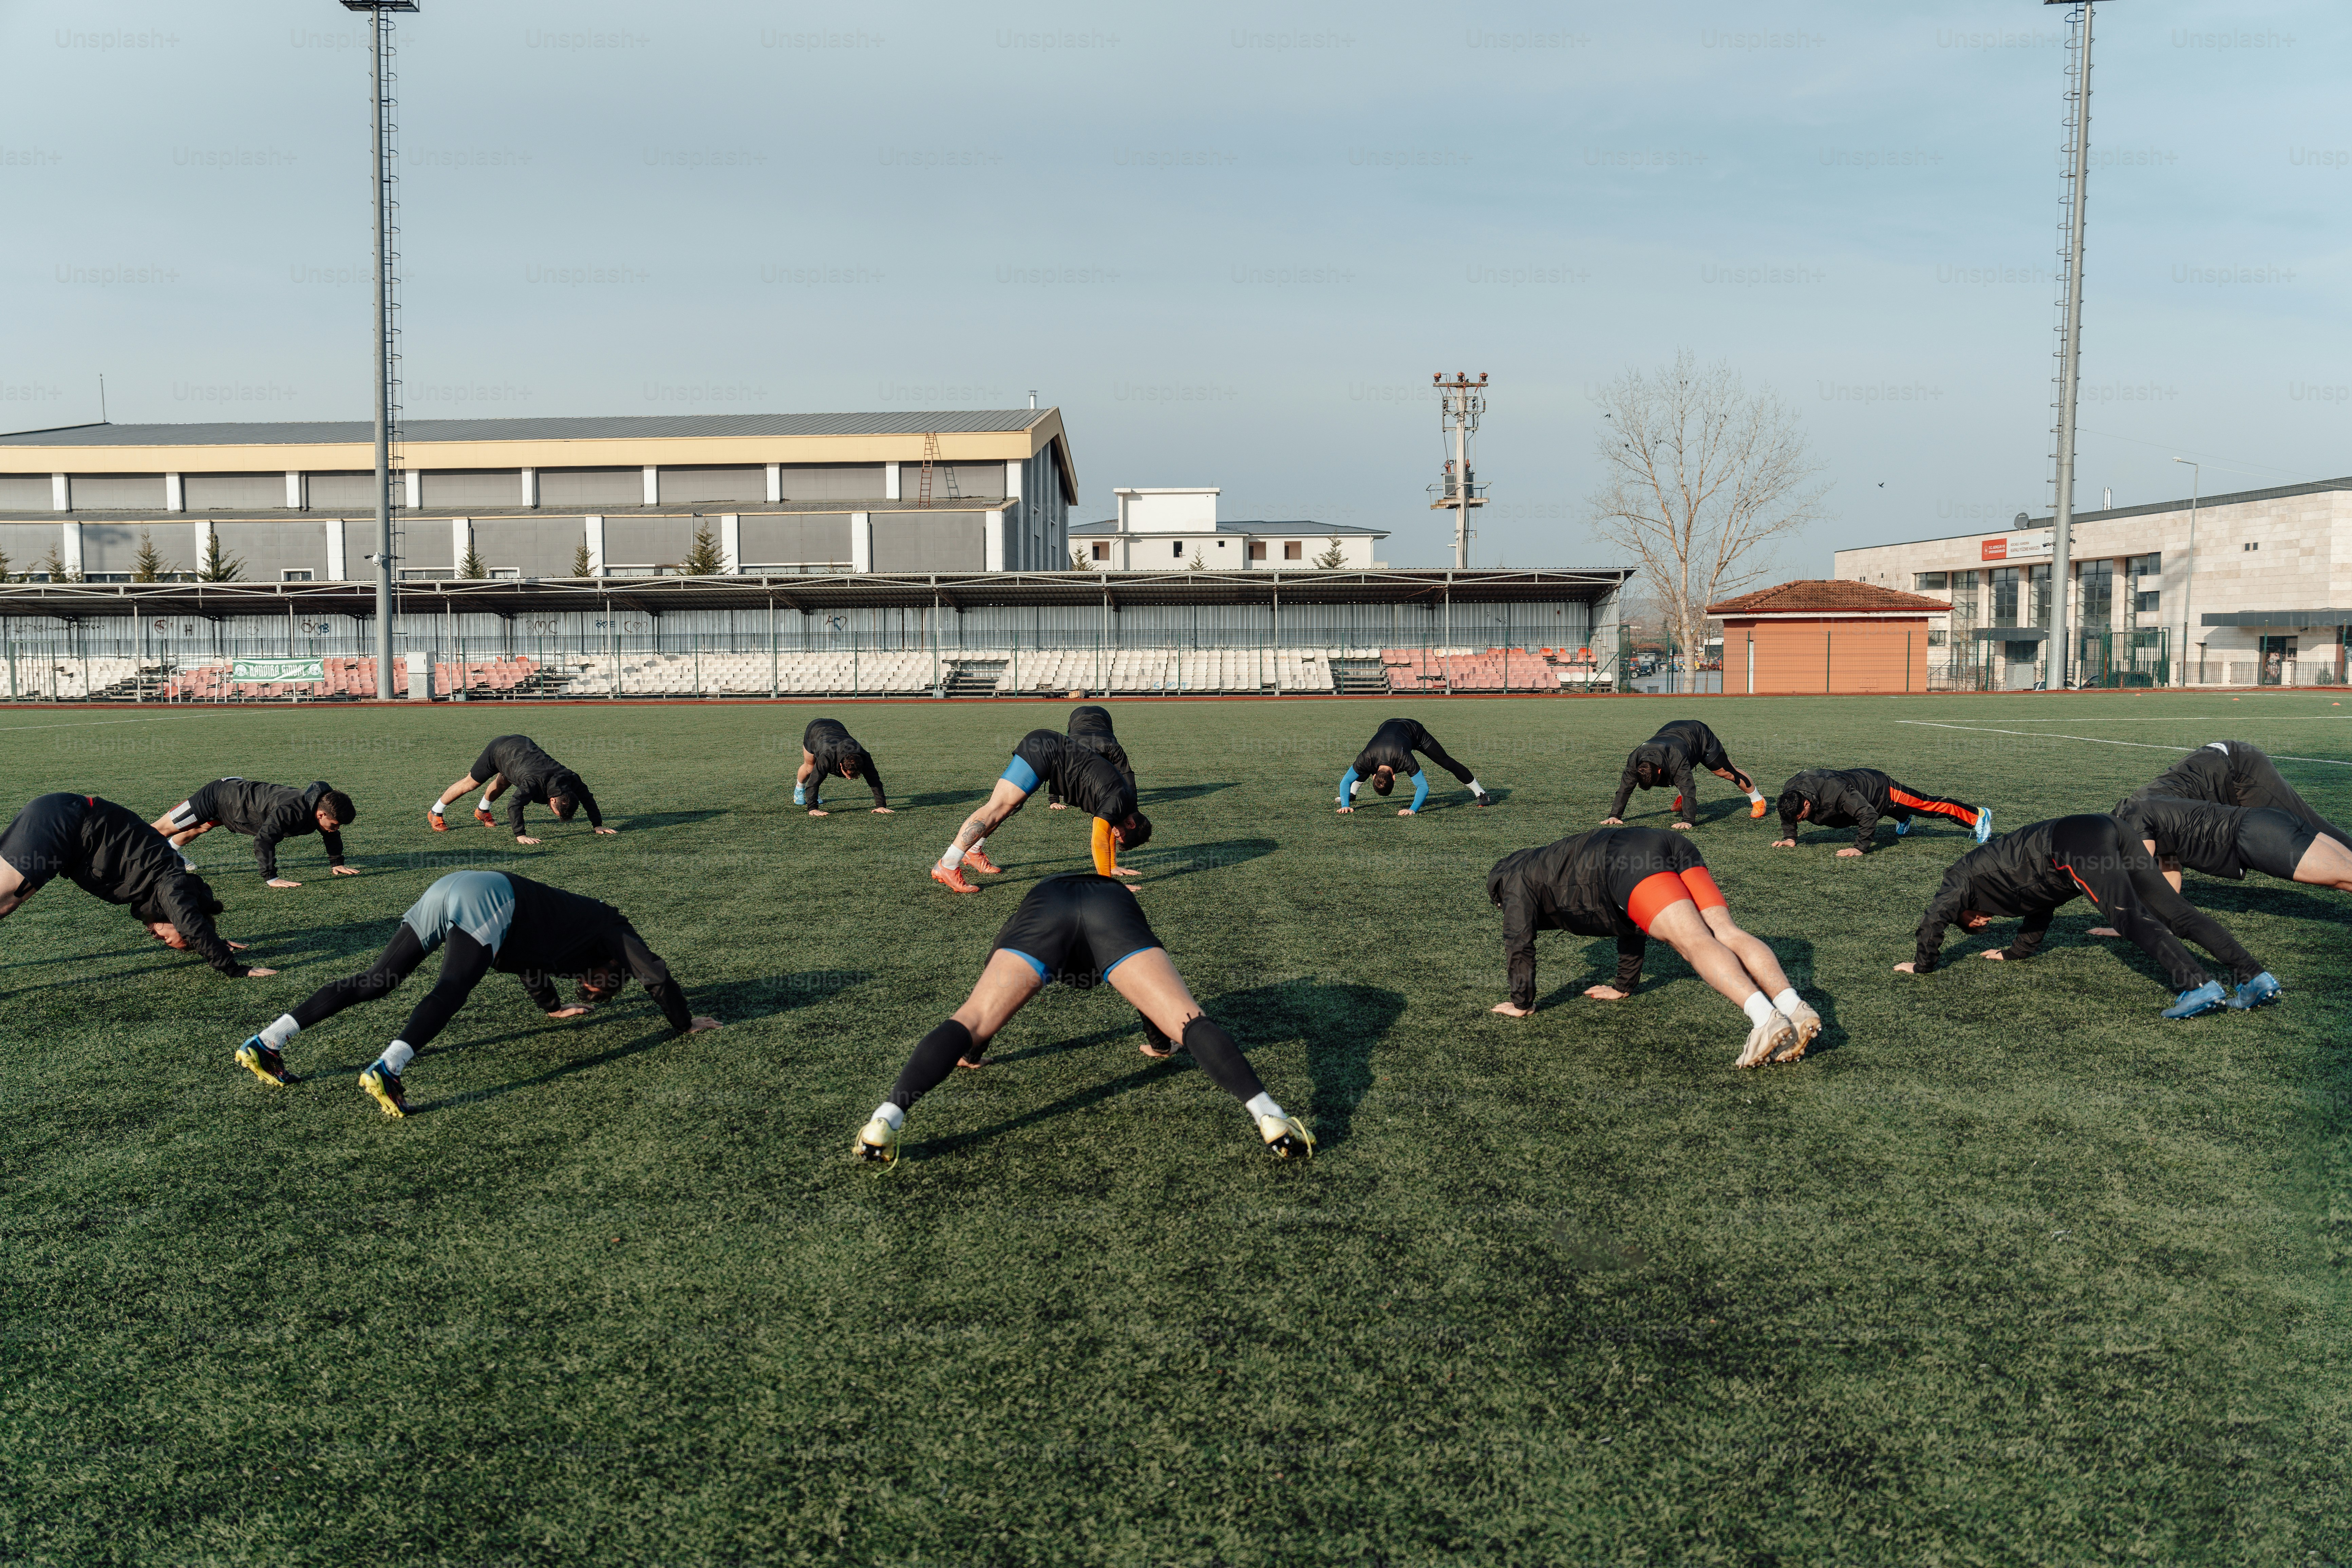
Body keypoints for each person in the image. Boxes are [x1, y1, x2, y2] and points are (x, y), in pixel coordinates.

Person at [854, 872, 1311, 1165]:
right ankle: (1270, 1115)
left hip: (1045, 907)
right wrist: (1158, 1044)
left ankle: (885, 1118)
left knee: (971, 1017)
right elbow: (1146, 1000)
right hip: (1109, 907)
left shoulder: (1028, 906)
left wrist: (973, 1048)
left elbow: (985, 996)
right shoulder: (1120, 895)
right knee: (1189, 1020)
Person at [231, 869, 717, 1110]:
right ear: (612, 969)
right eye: (601, 986)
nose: (592, 989)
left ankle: (266, 1042)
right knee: (452, 988)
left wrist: (550, 1007)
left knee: (377, 981)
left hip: (450, 886)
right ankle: (388, 1069)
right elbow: (654, 972)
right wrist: (685, 1022)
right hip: (487, 897)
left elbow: (530, 960)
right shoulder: (611, 925)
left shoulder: (573, 937)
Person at [1485, 827, 1819, 1066]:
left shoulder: (1513, 882)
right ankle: (1793, 1007)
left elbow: (1519, 943)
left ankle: (1765, 1018)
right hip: (1666, 842)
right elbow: (1630, 922)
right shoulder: (1546, 863)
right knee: (1725, 932)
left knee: (1693, 941)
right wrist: (1623, 986)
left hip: (1624, 858)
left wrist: (1522, 1002)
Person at [1898, 813, 2279, 1016]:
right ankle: (2255, 978)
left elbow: (1934, 918)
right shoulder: (2007, 894)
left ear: (1961, 912)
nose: (1980, 924)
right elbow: (2039, 907)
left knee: (2127, 917)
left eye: (1970, 922)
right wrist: (2015, 952)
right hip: (2105, 829)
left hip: (2075, 840)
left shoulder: (1958, 878)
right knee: (2176, 913)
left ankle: (2197, 985)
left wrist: (1922, 965)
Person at [0, 792, 273, 978]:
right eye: (171, 940)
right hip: (66, 821)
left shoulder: (153, 889)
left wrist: (210, 940)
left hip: (66, 822)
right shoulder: (172, 881)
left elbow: (190, 921)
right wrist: (230, 966)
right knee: (6, 900)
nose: (158, 939)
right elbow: (188, 919)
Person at [932, 729, 1151, 894]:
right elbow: (1099, 838)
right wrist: (1107, 884)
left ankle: (973, 851)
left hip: (1048, 751)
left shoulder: (1126, 803)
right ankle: (947, 865)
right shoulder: (1118, 801)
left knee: (1010, 808)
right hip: (1045, 750)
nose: (1113, 835)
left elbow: (1109, 832)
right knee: (997, 807)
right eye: (1118, 834)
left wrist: (1111, 866)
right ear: (1131, 824)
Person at [2130, 740, 2351, 850]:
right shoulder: (2137, 815)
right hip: (2213, 764)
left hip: (2240, 767)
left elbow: (2145, 875)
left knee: (2302, 826)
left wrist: (2133, 921)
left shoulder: (2139, 823)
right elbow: (2167, 871)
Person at [2111, 793, 2352, 893]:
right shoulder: (2148, 809)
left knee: (2345, 876)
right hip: (2270, 820)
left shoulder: (2132, 818)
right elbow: (2169, 876)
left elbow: (2140, 871)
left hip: (2259, 837)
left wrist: (2127, 921)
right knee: (2346, 874)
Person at [150, 777, 358, 888]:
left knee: (201, 827)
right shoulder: (291, 811)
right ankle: (129, 858)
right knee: (159, 830)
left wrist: (337, 862)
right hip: (219, 796)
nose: (336, 829)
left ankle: (172, 852)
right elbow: (264, 840)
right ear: (321, 815)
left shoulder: (319, 808)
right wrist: (271, 878)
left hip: (237, 807)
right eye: (336, 824)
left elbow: (331, 834)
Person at [428, 734, 615, 844]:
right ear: (552, 800)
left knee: (504, 781)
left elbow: (588, 799)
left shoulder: (572, 780)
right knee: (471, 784)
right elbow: (515, 806)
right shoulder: (533, 783)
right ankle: (435, 812)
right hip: (500, 749)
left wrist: (597, 824)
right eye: (555, 812)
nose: (554, 813)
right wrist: (521, 835)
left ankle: (482, 811)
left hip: (521, 752)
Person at [1769, 768, 1991, 856]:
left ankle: (1978, 815)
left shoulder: (1835, 792)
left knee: (1926, 805)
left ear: (1806, 804)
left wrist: (1859, 848)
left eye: (1800, 818)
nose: (1800, 821)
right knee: (1853, 813)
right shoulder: (1792, 792)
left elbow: (1868, 814)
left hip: (1880, 788)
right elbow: (1786, 812)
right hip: (1859, 795)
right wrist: (1790, 837)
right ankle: (1903, 816)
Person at [1604, 719, 1766, 829]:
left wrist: (1688, 821)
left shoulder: (1676, 759)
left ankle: (1758, 800)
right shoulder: (1636, 759)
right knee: (1674, 776)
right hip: (1673, 734)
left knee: (1727, 773)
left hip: (1700, 736)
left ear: (1659, 771)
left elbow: (1689, 788)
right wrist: (1615, 816)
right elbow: (1625, 788)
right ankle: (1682, 800)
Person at [1335, 717, 1493, 815]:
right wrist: (1345, 804)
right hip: (1387, 725)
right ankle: (1352, 795)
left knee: (1445, 761)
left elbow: (1424, 787)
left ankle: (1481, 793)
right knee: (1365, 766)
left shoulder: (1404, 758)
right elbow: (1345, 782)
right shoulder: (1366, 758)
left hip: (1415, 731)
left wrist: (1413, 809)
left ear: (1395, 778)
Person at [795, 717, 892, 817]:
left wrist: (881, 806)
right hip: (816, 731)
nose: (850, 778)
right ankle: (799, 788)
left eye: (854, 775)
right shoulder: (827, 757)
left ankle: (812, 795)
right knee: (810, 768)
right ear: (841, 766)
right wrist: (813, 808)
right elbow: (814, 782)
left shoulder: (864, 757)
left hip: (837, 726)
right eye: (848, 775)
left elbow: (874, 781)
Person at [1048, 704, 1133, 810]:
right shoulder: (1071, 748)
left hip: (1103, 717)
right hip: (1078, 717)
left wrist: (1130, 801)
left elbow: (1125, 772)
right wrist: (1054, 801)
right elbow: (1058, 769)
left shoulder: (1112, 748)